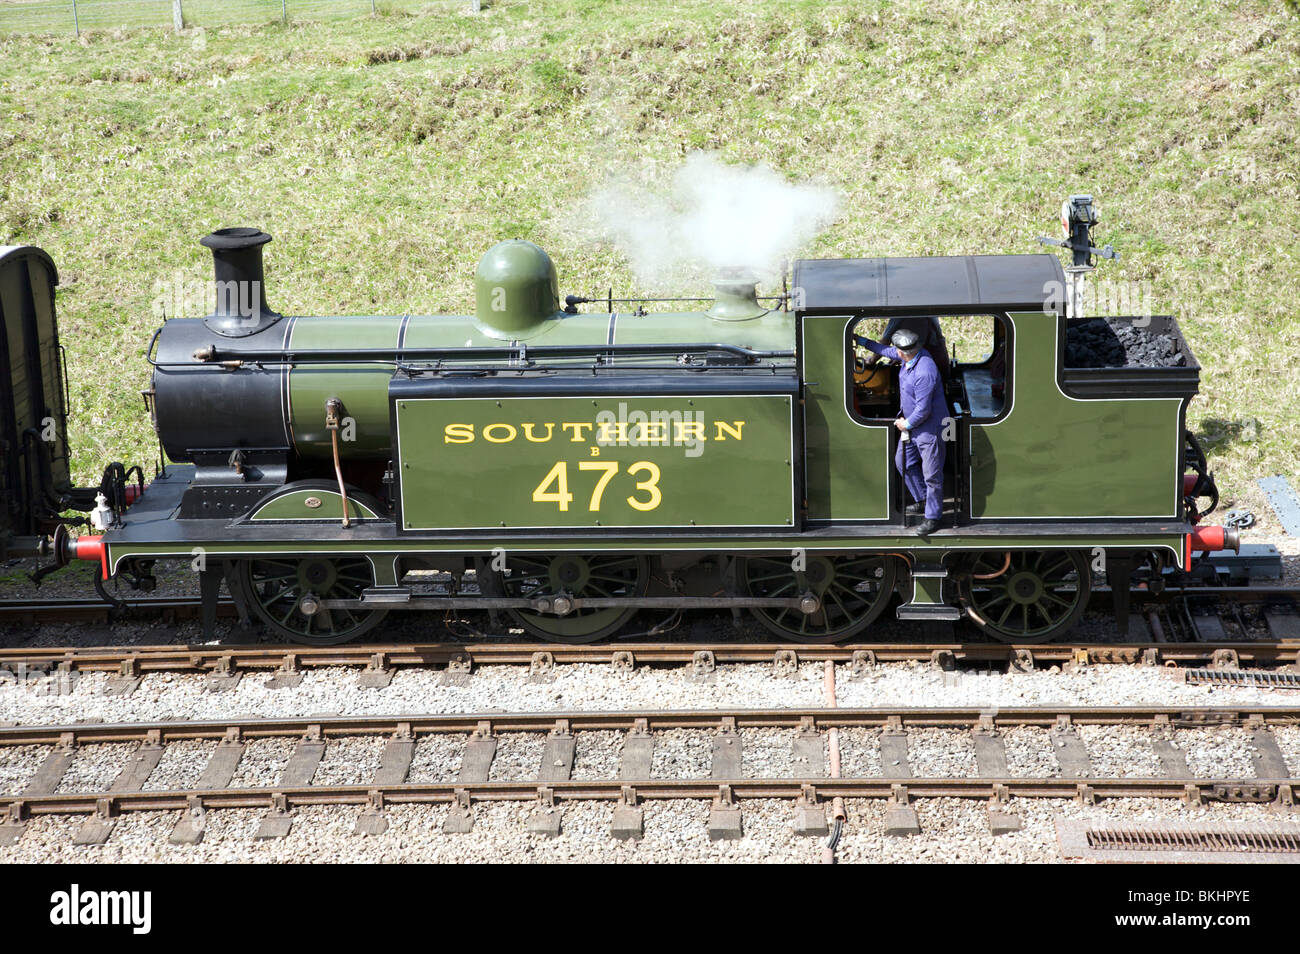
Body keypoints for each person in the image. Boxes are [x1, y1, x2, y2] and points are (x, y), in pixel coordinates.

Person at [853, 327, 947, 534]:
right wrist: (859, 339)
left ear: (904, 352)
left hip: (929, 429)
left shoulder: (925, 371)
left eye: (897, 351)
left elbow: (924, 409)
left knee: (932, 474)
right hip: (914, 426)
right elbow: (885, 351)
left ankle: (933, 517)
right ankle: (921, 499)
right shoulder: (911, 355)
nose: (894, 352)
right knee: (902, 462)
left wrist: (906, 424)